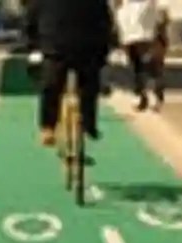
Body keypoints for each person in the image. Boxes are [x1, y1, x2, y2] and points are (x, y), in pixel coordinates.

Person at [25, 0, 116, 145]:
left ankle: (80, 125)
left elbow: (30, 22)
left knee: (54, 85)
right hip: (64, 48)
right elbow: (106, 24)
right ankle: (53, 126)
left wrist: (33, 46)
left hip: (69, 48)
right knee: (75, 86)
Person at [116, 0, 158, 110]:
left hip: (144, 9)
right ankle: (139, 91)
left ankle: (148, 90)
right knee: (133, 57)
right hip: (128, 11)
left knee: (145, 54)